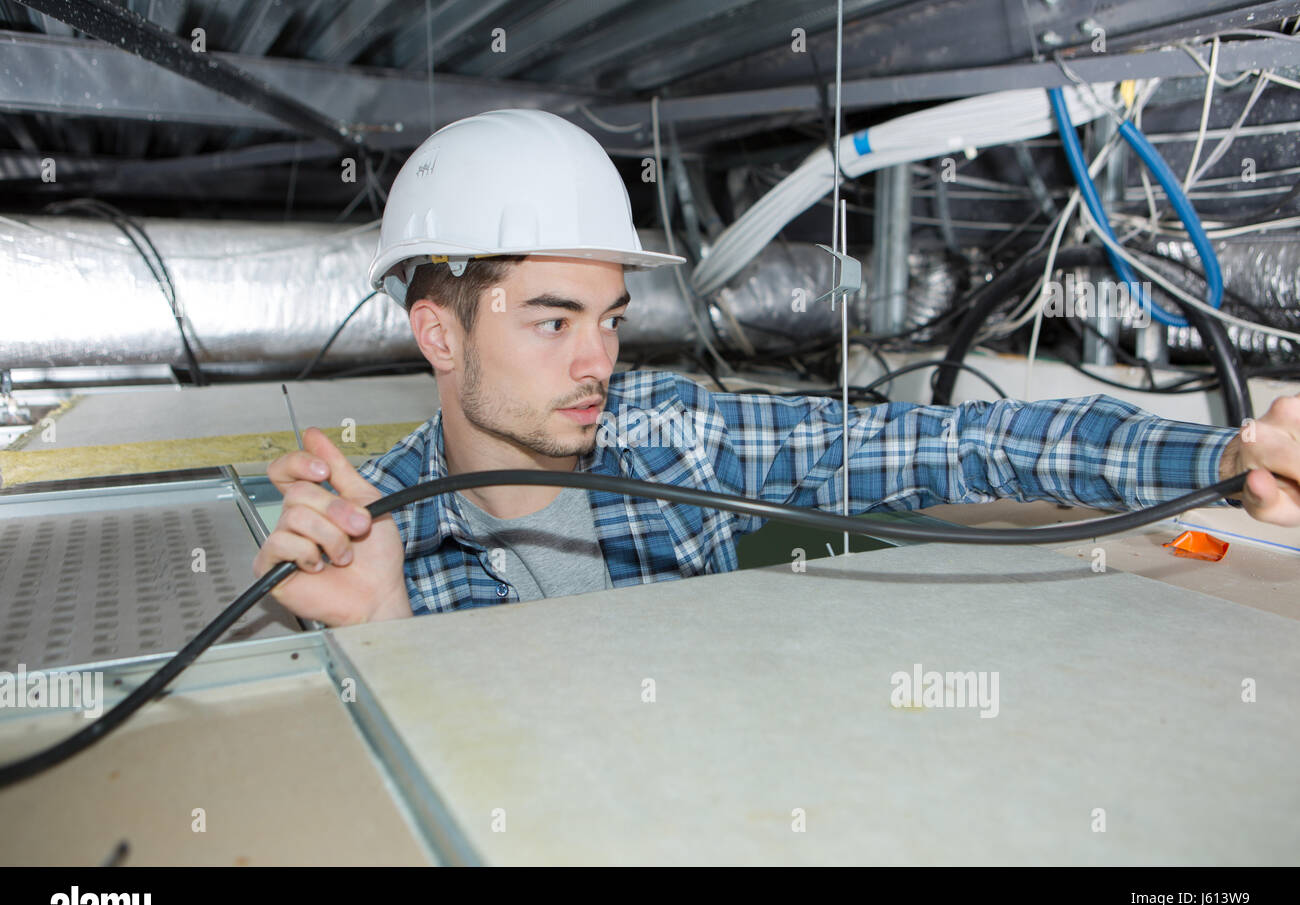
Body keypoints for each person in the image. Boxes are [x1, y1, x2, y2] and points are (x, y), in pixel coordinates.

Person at [252, 108, 1300, 627]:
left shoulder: (668, 434)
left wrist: (1229, 456)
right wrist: (383, 638)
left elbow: (960, 442)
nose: (597, 361)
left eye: (610, 319)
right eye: (551, 321)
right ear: (439, 333)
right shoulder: (369, 535)